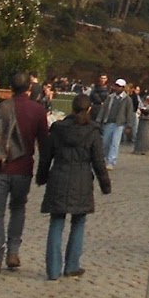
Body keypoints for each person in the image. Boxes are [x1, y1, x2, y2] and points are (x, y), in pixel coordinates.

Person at [0, 71, 51, 274]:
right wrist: (44, 170)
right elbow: (44, 143)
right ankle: (13, 252)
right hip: (23, 168)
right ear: (29, 88)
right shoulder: (37, 110)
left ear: (9, 88)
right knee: (18, 209)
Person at [37, 94, 111, 280]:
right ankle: (71, 265)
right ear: (89, 110)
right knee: (78, 223)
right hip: (81, 180)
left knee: (56, 222)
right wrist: (105, 185)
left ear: (72, 108)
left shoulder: (57, 129)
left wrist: (41, 177)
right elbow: (98, 161)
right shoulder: (92, 132)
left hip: (59, 177)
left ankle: (53, 270)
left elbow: (46, 157)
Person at [94, 78, 133, 169]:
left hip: (119, 124)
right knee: (105, 142)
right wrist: (99, 120)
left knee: (115, 143)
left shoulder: (127, 99)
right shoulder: (110, 97)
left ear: (123, 88)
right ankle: (104, 159)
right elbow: (103, 109)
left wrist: (129, 125)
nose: (117, 88)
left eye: (119, 87)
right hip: (108, 122)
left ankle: (111, 161)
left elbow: (129, 113)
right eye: (116, 86)